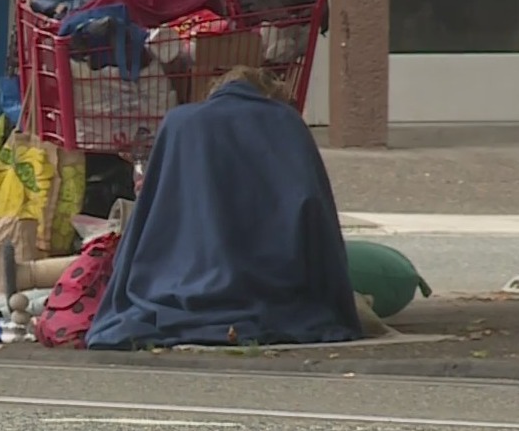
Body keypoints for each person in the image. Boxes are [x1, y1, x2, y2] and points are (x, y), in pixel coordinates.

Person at [84, 66, 365, 349]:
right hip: (273, 293)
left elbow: (149, 211)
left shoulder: (180, 122)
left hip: (175, 289)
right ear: (269, 94)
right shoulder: (286, 123)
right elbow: (313, 208)